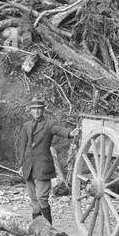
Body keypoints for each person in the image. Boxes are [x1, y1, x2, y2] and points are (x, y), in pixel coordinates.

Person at [15, 96, 76, 224]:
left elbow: (59, 130)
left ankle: (49, 227)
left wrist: (70, 133)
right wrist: (21, 164)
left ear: (43, 110)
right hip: (28, 166)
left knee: (41, 198)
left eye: (39, 109)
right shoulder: (26, 126)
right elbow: (21, 146)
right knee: (34, 200)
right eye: (34, 109)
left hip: (43, 165)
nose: (37, 112)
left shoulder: (49, 125)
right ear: (30, 110)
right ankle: (37, 229)